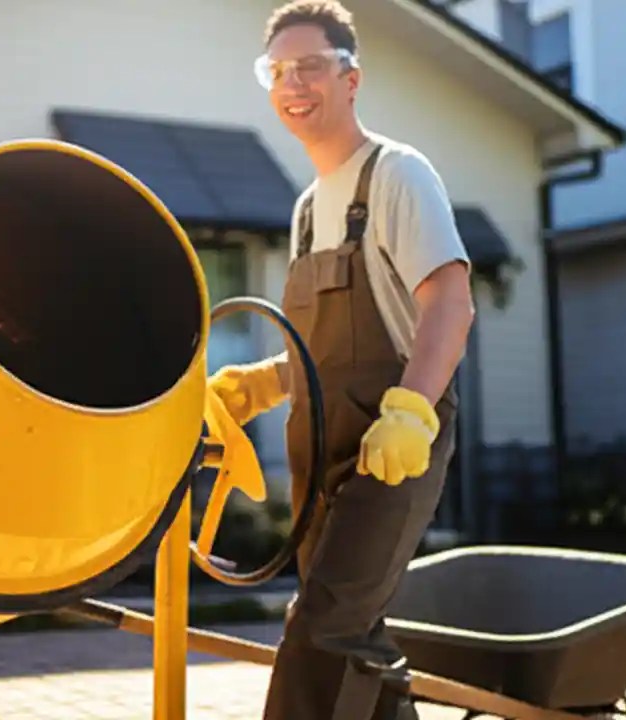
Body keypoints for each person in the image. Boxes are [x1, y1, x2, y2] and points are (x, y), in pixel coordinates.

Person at [206, 1, 476, 718]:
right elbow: (319, 352)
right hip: (318, 449)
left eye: (313, 66)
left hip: (395, 447)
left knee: (324, 627)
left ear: (351, 78)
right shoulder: (303, 210)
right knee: (354, 636)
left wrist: (412, 411)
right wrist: (265, 383)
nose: (295, 82)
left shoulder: (396, 174)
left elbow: (450, 302)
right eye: (280, 70)